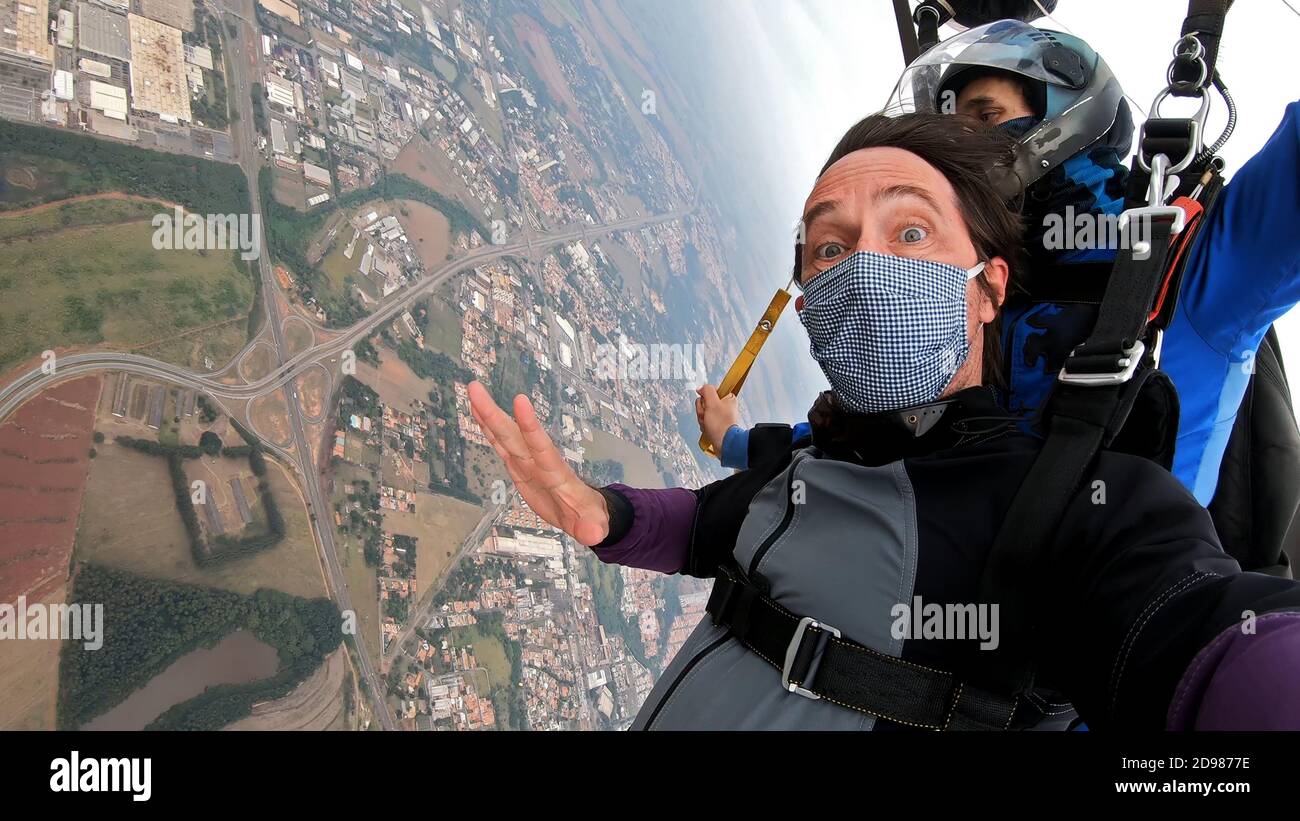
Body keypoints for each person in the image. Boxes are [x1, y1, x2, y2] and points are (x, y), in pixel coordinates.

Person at [469, 112, 1300, 730]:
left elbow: (1212, 648)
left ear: (988, 287)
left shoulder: (1073, 511)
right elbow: (702, 527)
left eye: (909, 229)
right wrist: (602, 513)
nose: (864, 263)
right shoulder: (809, 469)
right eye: (829, 248)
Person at [701, 22, 1300, 574]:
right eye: (955, 126)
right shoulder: (962, 286)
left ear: (1067, 121)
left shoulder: (1183, 265)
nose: (966, 141)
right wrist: (734, 441)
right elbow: (887, 429)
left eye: (987, 116)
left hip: (1112, 630)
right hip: (939, 601)